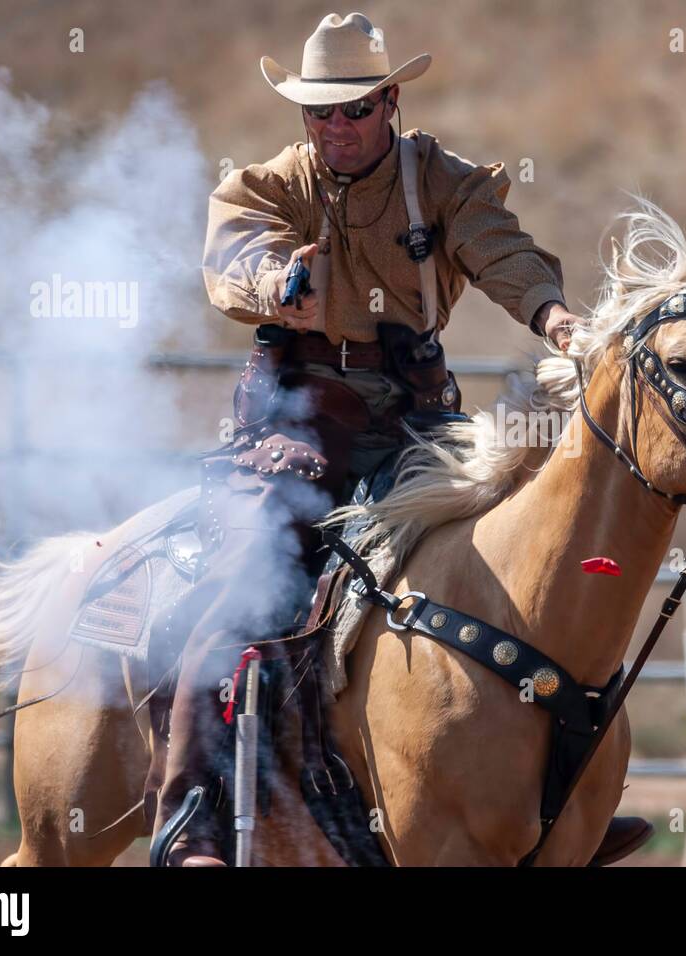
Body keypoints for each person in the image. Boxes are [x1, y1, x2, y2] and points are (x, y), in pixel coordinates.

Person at [154, 11, 652, 867]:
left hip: (420, 418)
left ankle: (566, 806)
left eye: (353, 108)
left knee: (525, 561)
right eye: (319, 112)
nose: (335, 127)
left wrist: (558, 319)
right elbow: (237, 254)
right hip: (296, 421)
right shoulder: (269, 183)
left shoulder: (446, 183)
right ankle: (195, 819)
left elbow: (505, 254)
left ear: (390, 101)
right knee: (245, 584)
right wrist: (282, 283)